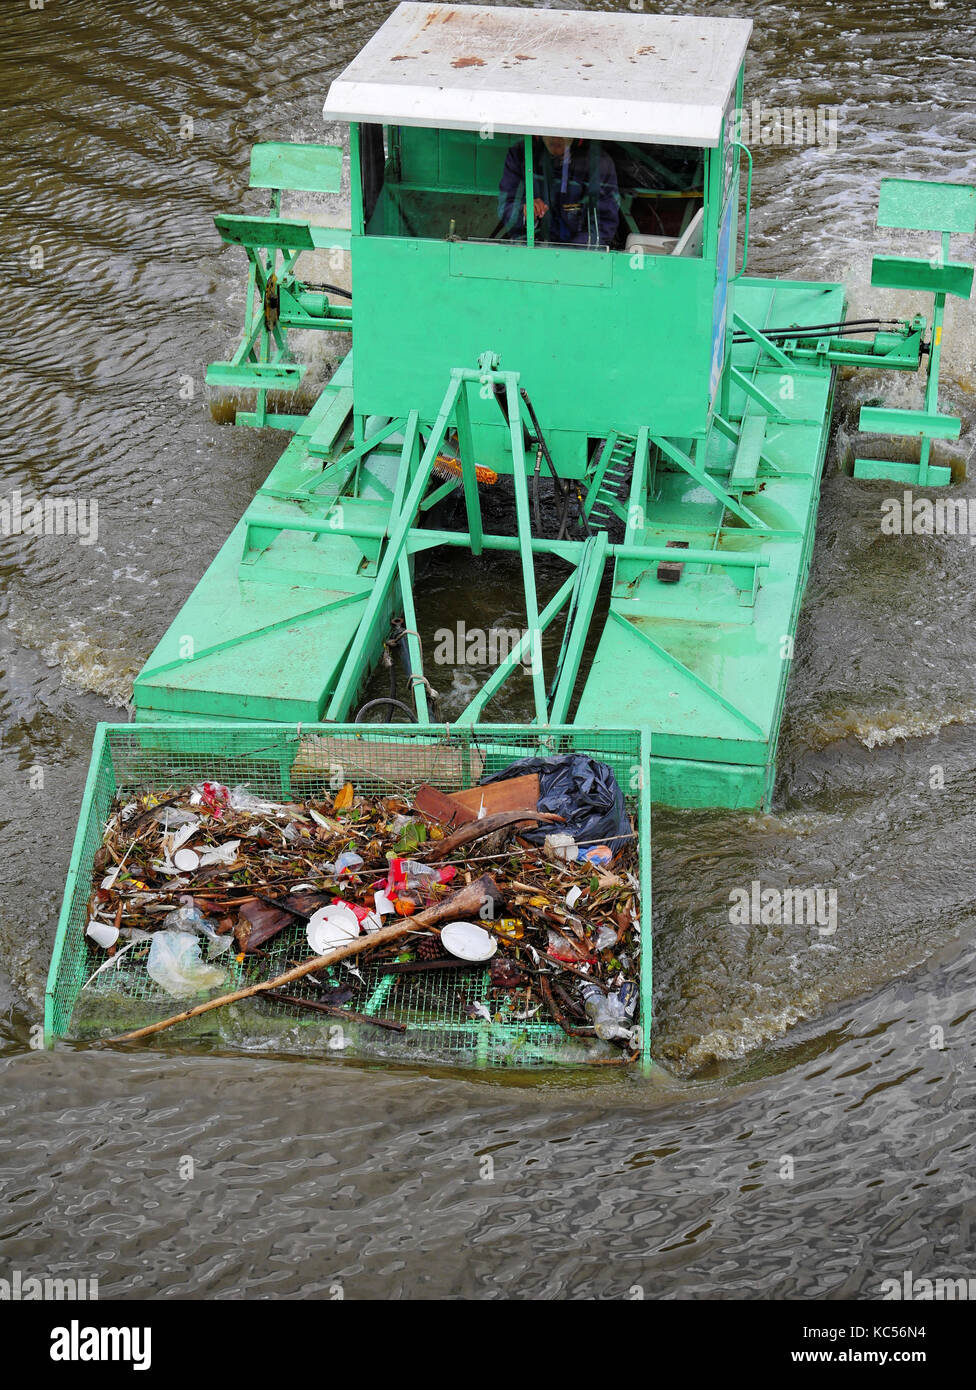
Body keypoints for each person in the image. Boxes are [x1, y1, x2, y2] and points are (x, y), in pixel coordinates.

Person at [498, 135, 619, 248]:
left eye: (563, 130)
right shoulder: (520, 154)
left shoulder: (598, 163)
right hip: (532, 253)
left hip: (579, 257)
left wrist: (571, 253)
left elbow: (604, 225)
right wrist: (524, 213)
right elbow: (506, 208)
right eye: (549, 129)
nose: (556, 137)